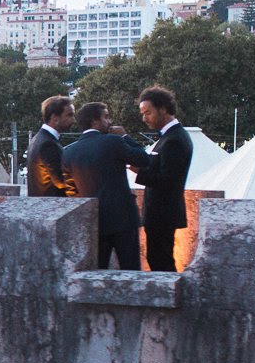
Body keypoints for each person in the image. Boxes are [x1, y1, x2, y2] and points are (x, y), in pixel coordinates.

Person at [62, 102, 147, 269]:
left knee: (98, 270)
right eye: (106, 117)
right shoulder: (113, 142)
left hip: (94, 221)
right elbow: (143, 159)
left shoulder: (68, 153)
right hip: (123, 218)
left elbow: (71, 192)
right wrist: (125, 136)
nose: (110, 122)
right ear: (95, 121)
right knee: (131, 270)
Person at [136, 86, 193, 272]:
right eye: (143, 113)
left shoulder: (174, 140)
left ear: (163, 109)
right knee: (157, 259)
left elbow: (168, 180)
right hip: (159, 215)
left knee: (161, 262)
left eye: (148, 113)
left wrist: (139, 172)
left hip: (163, 215)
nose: (145, 118)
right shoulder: (167, 138)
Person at [28, 96, 77, 198]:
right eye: (70, 115)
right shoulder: (48, 144)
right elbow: (61, 181)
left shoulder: (38, 139)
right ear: (55, 118)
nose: (74, 120)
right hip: (53, 207)